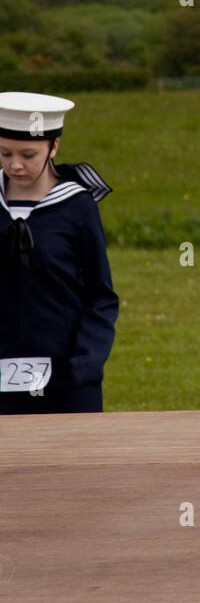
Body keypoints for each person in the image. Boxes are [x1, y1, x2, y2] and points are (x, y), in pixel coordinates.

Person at [0, 91, 118, 414]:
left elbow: (101, 297)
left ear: (54, 147)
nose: (15, 165)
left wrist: (85, 364)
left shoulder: (78, 207)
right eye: (4, 153)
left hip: (69, 384)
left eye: (28, 154)